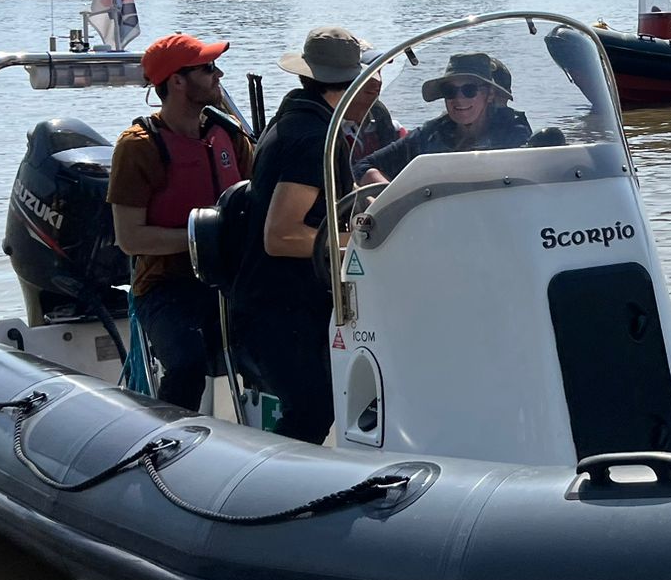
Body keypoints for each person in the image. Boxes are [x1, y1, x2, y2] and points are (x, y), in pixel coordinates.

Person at [227, 27, 380, 444]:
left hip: (280, 303)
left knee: (320, 407)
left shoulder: (295, 121)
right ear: (355, 81)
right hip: (282, 308)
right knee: (313, 411)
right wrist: (367, 242)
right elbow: (280, 235)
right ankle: (265, 494)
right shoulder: (313, 139)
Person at [107, 33, 253, 412]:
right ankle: (164, 445)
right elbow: (129, 238)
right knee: (188, 366)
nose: (218, 73)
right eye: (206, 68)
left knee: (286, 342)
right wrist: (203, 238)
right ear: (176, 81)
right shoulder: (139, 146)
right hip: (166, 286)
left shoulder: (230, 135)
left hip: (231, 280)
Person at [359, 52, 540, 180]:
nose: (459, 99)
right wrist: (390, 198)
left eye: (469, 90)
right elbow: (362, 166)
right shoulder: (429, 133)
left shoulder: (514, 130)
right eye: (450, 91)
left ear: (490, 94)